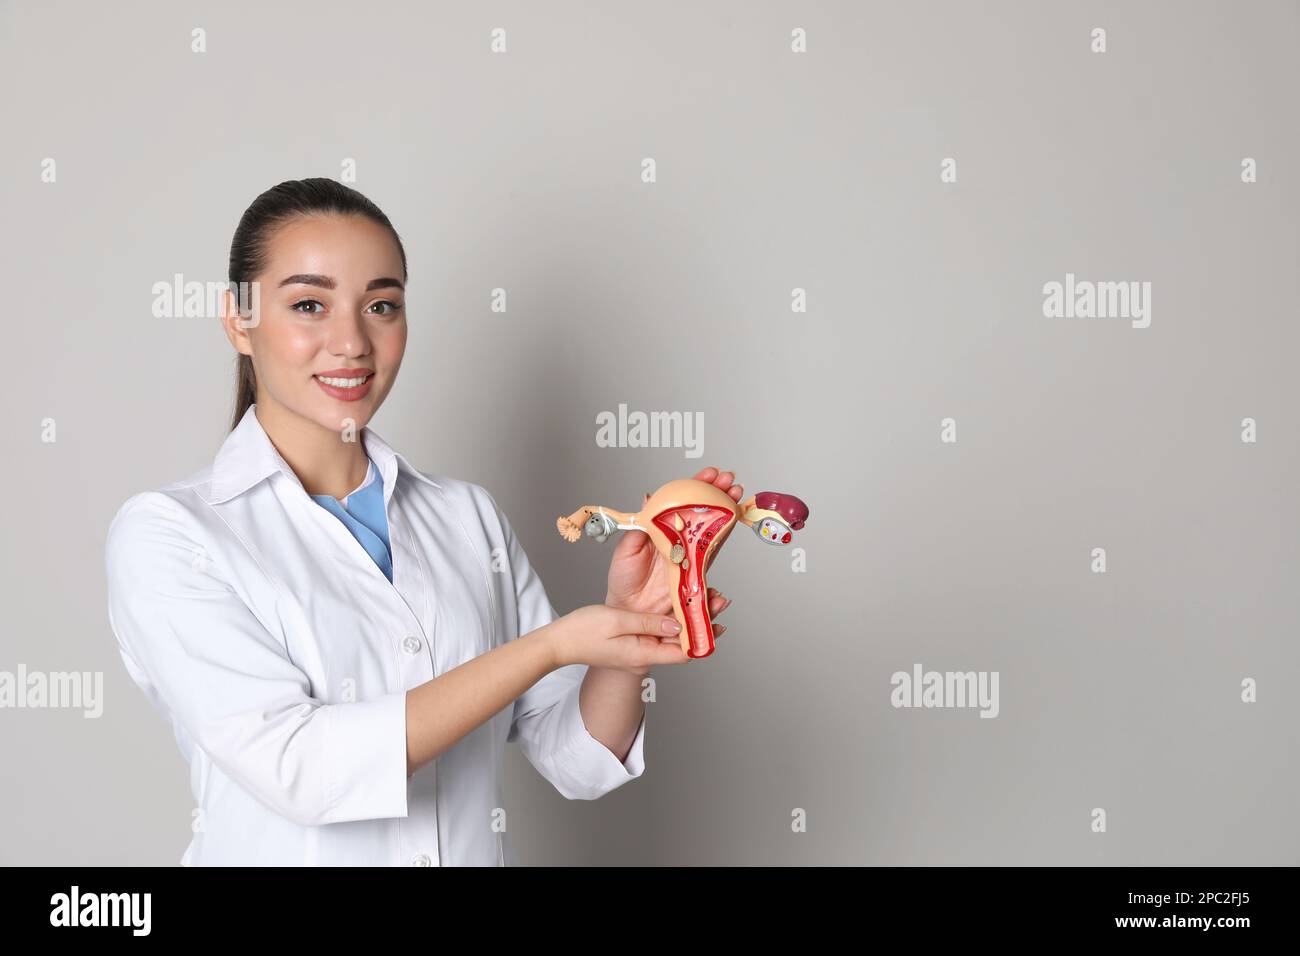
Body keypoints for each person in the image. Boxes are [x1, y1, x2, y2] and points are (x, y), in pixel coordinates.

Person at [103, 178, 744, 866]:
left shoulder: (466, 517)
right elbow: (302, 769)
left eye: (381, 305)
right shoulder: (172, 535)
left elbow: (576, 762)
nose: (351, 342)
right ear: (238, 320)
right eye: (309, 304)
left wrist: (622, 638)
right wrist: (551, 646)